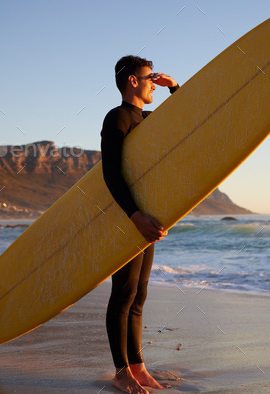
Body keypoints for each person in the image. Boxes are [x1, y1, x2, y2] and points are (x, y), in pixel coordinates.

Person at [100, 55, 179, 394]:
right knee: (123, 294)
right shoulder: (117, 117)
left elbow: (189, 118)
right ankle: (121, 372)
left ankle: (138, 366)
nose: (153, 83)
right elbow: (110, 172)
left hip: (141, 217)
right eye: (150, 77)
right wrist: (134, 216)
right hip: (125, 216)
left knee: (139, 295)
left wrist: (174, 86)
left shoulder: (146, 118)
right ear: (133, 80)